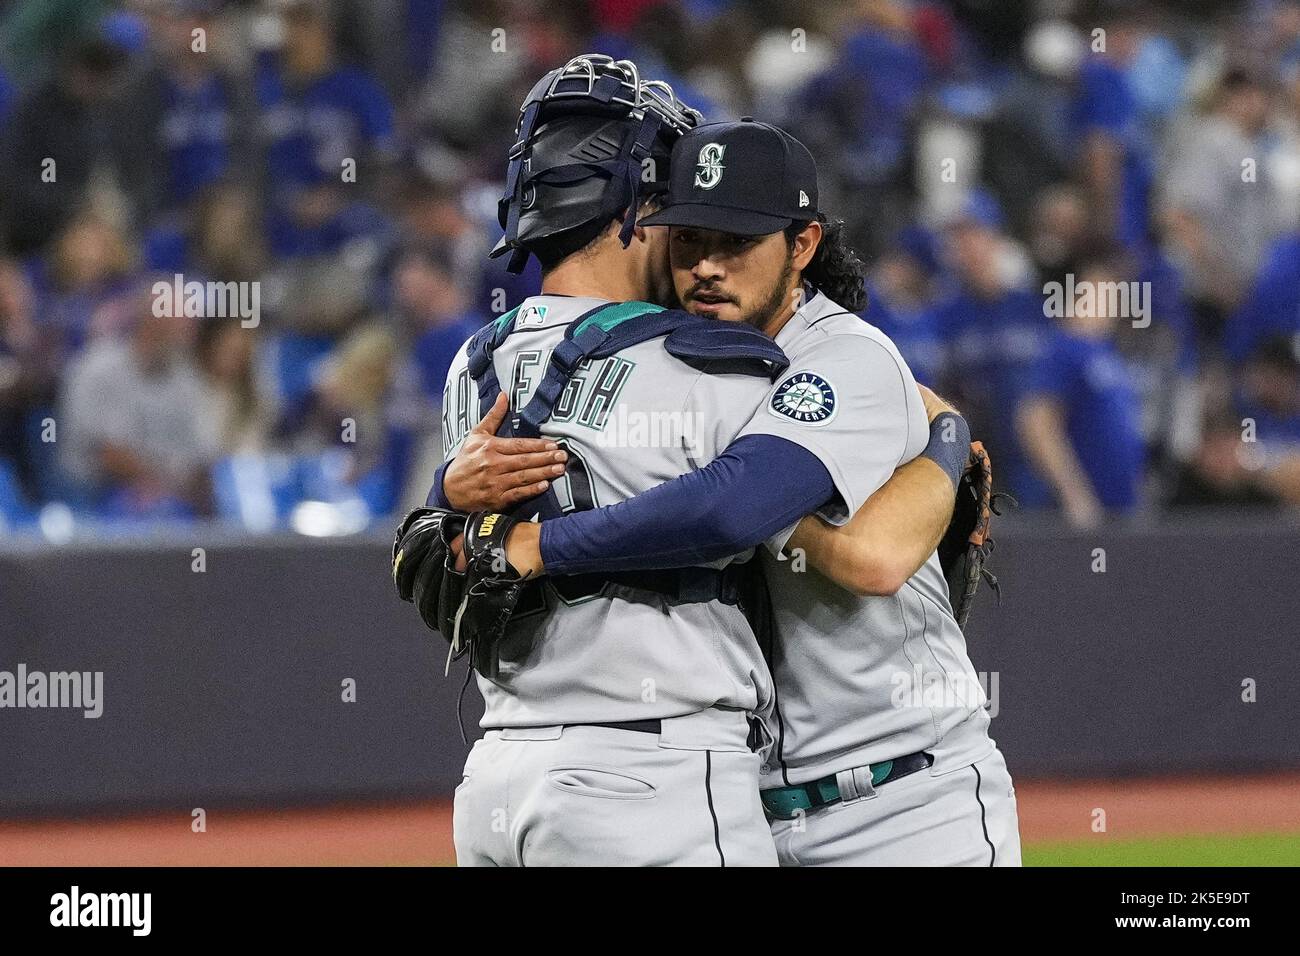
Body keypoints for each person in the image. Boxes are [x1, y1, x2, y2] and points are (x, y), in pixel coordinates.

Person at [440, 119, 1021, 866]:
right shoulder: (684, 362)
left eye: (737, 243)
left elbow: (865, 558)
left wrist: (940, 441)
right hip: (752, 807)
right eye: (690, 240)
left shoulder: (840, 354)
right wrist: (451, 485)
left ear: (802, 246)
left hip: (904, 799)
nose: (708, 267)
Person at [396, 55, 791, 867]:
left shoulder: (470, 366)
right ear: (634, 209)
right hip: (651, 774)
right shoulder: (714, 362)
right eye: (674, 206)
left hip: (499, 777)